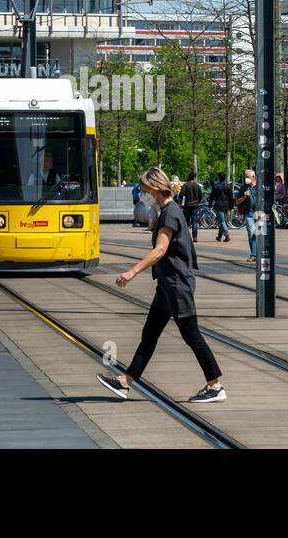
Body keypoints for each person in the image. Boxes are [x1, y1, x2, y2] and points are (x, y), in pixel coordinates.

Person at [96, 167, 226, 404]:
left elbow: (160, 250)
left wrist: (132, 271)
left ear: (155, 188)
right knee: (150, 334)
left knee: (192, 335)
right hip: (167, 286)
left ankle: (215, 385)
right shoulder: (166, 210)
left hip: (177, 285)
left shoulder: (171, 212)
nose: (143, 192)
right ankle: (125, 382)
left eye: (145, 188)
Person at [235, 169, 257, 261]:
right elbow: (237, 201)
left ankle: (261, 253)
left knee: (260, 234)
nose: (246, 179)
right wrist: (244, 197)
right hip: (249, 214)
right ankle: (253, 254)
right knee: (251, 234)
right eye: (245, 177)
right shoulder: (244, 187)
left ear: (253, 177)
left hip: (260, 214)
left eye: (248, 177)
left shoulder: (260, 187)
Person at [179, 171, 204, 242]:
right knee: (194, 221)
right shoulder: (197, 186)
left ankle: (185, 237)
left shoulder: (185, 185)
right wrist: (197, 201)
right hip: (195, 205)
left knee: (186, 222)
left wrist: (180, 202)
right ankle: (195, 237)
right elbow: (201, 196)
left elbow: (181, 195)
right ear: (194, 178)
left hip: (187, 205)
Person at [209, 172, 233, 243]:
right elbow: (231, 197)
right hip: (226, 206)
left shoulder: (216, 186)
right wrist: (231, 206)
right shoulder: (228, 186)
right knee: (223, 221)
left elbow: (212, 196)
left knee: (222, 221)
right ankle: (219, 236)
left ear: (219, 178)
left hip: (218, 205)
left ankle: (227, 235)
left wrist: (210, 204)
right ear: (225, 178)